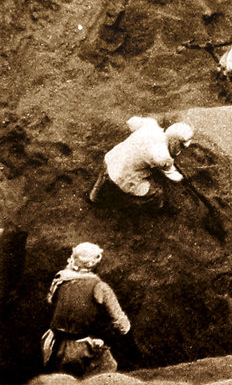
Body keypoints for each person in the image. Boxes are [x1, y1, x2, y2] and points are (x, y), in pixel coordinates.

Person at [41, 242, 131, 377]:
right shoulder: (99, 287)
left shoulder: (60, 281)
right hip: (80, 351)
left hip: (54, 347)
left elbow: (51, 304)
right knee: (109, 367)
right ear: (91, 264)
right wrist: (126, 334)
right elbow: (120, 322)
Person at [88, 116, 190, 210]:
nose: (181, 149)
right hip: (123, 177)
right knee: (157, 193)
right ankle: (128, 205)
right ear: (175, 142)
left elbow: (131, 121)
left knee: (109, 171)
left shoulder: (150, 124)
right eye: (181, 146)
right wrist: (181, 177)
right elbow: (173, 176)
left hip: (110, 160)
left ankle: (96, 194)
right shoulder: (163, 156)